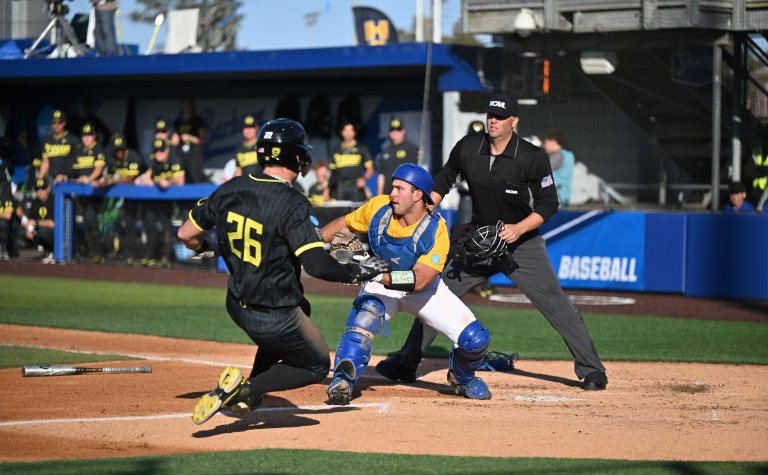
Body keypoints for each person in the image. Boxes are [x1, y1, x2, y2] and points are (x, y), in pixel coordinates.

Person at [375, 93, 609, 391]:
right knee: (433, 294)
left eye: (500, 116)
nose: (493, 120)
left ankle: (592, 370)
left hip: (522, 244)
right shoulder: (469, 147)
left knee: (556, 303)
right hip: (479, 241)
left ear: (514, 121)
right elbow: (442, 182)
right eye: (490, 115)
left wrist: (519, 228)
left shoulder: (532, 156)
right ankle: (406, 363)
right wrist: (423, 215)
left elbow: (549, 204)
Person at [177, 118, 390, 426]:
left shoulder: (230, 188)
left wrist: (209, 247)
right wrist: (362, 271)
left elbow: (186, 234)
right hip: (273, 312)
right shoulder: (292, 203)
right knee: (316, 366)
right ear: (295, 156)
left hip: (236, 304)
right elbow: (316, 266)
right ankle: (243, 390)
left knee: (302, 307)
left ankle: (248, 392)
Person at [322, 163, 494, 405]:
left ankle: (462, 377)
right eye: (393, 187)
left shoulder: (435, 229)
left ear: (417, 195)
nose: (392, 193)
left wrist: (374, 274)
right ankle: (342, 381)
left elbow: (419, 280)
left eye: (399, 188)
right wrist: (310, 243)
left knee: (476, 340)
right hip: (381, 284)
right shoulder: (379, 208)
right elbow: (345, 223)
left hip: (423, 290)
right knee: (363, 322)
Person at [138, 138, 185, 267]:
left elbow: (180, 181)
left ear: (167, 150)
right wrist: (157, 181)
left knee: (166, 228)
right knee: (149, 226)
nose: (159, 153)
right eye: (156, 151)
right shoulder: (153, 161)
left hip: (168, 202)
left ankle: (166, 257)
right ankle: (150, 255)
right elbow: (146, 179)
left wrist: (168, 182)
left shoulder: (174, 160)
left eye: (161, 151)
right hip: (153, 200)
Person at [103, 133, 145, 265]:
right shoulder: (112, 159)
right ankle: (131, 254)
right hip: (128, 198)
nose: (119, 153)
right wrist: (100, 182)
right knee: (128, 223)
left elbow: (129, 179)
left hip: (145, 196)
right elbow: (107, 177)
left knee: (146, 224)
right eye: (116, 150)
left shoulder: (133, 156)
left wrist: (112, 181)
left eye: (121, 149)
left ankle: (145, 255)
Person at [71, 122, 107, 261]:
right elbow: (75, 171)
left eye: (89, 135)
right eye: (84, 136)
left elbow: (99, 170)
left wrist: (88, 178)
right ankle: (90, 252)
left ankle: (99, 252)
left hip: (95, 194)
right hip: (82, 194)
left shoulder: (98, 150)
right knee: (85, 224)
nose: (86, 138)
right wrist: (71, 178)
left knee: (92, 222)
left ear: (94, 136)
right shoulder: (79, 151)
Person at [329, 122, 374, 201]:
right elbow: (332, 172)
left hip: (356, 187)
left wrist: (364, 179)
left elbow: (370, 169)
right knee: (340, 209)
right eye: (345, 130)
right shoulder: (336, 149)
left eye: (350, 130)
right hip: (340, 187)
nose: (348, 133)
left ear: (354, 132)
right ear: (341, 132)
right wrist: (328, 188)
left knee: (357, 208)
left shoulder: (361, 148)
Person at [376, 118, 420, 195]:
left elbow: (414, 173)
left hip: (404, 194)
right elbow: (381, 175)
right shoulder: (385, 151)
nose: (395, 133)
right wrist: (379, 194)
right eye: (392, 130)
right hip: (387, 194)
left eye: (398, 130)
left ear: (404, 131)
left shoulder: (411, 149)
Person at [172, 98, 208, 184]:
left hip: (194, 152)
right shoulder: (178, 121)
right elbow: (174, 141)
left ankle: (196, 192)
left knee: (195, 175)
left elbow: (203, 138)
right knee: (182, 173)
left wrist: (190, 138)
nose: (186, 107)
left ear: (192, 106)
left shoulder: (197, 120)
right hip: (181, 152)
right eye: (184, 104)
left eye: (188, 104)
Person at [38, 109, 78, 184]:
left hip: (69, 179)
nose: (56, 125)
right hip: (53, 179)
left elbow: (78, 162)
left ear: (64, 123)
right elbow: (45, 161)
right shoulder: (47, 141)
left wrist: (68, 176)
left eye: (59, 122)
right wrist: (40, 179)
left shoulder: (73, 140)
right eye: (54, 123)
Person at [20, 176, 55, 263]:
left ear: (48, 189)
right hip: (41, 229)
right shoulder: (35, 202)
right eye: (37, 189)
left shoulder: (53, 200)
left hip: (55, 233)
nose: (40, 192)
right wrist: (29, 230)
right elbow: (31, 220)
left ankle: (53, 250)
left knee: (43, 232)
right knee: (22, 232)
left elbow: (53, 224)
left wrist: (36, 223)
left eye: (42, 189)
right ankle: (47, 250)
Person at [542, 129, 575, 206]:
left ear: (554, 142)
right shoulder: (568, 155)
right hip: (564, 197)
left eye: (546, 143)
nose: (544, 146)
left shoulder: (559, 156)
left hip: (555, 198)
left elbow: (542, 172)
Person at [233, 113, 260, 178]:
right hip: (245, 183)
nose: (248, 130)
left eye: (251, 127)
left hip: (261, 182)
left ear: (257, 128)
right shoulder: (239, 149)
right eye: (246, 127)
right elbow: (238, 171)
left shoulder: (262, 146)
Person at [0, 161, 17, 261]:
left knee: (3, 223)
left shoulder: (5, 187)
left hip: (4, 222)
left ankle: (3, 248)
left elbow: (8, 215)